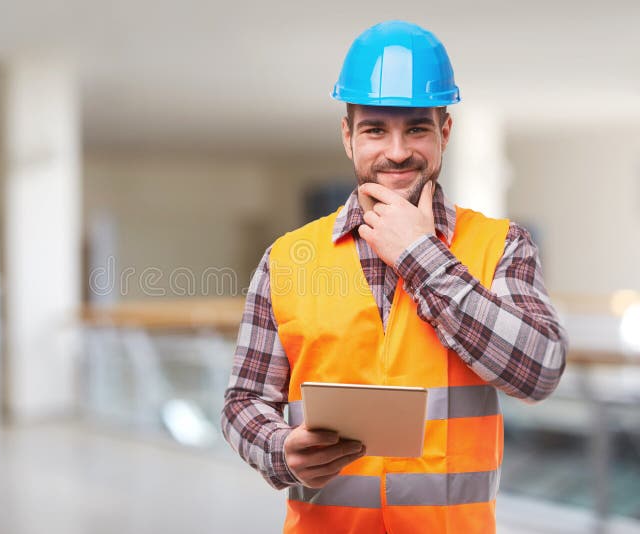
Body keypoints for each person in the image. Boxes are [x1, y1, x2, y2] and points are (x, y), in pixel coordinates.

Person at [220, 20, 568, 534]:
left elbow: (540, 370)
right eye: (376, 129)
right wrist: (279, 448)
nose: (398, 151)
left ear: (445, 132)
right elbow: (243, 401)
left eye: (417, 128)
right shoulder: (287, 258)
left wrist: (421, 256)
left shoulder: (501, 246)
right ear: (348, 136)